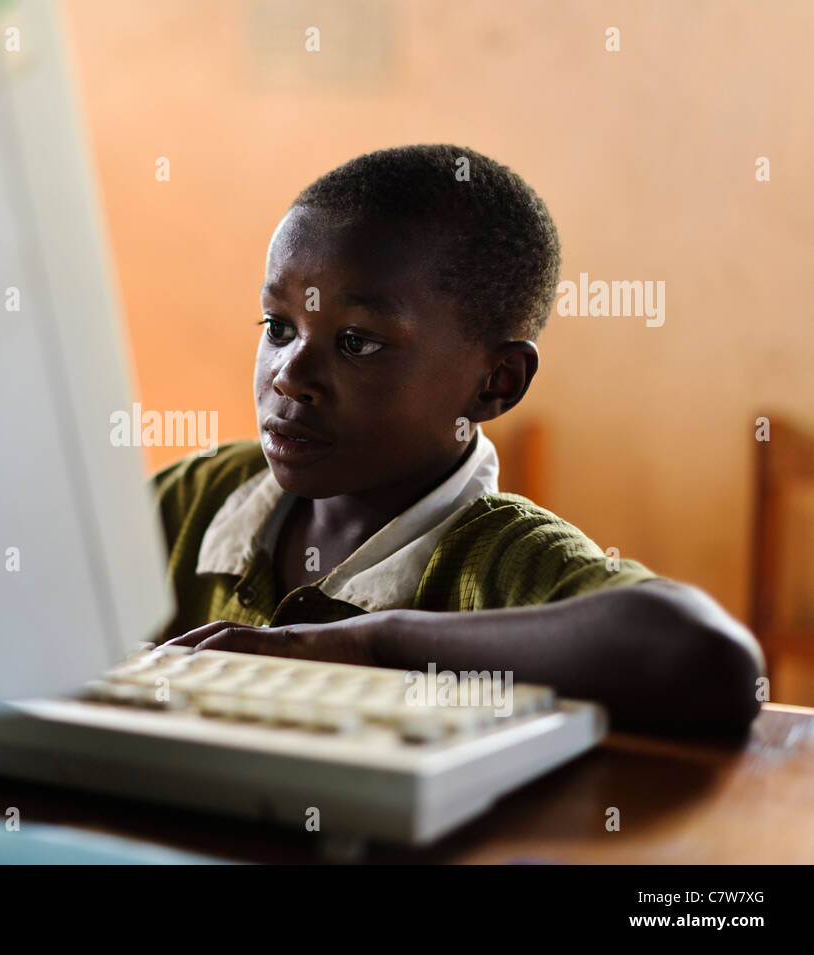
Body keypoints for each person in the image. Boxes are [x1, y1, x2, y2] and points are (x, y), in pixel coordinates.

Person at [150, 144, 763, 736]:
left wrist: (372, 643)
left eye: (357, 342)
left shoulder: (498, 561)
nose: (289, 375)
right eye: (279, 327)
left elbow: (709, 658)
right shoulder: (204, 496)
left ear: (496, 382)